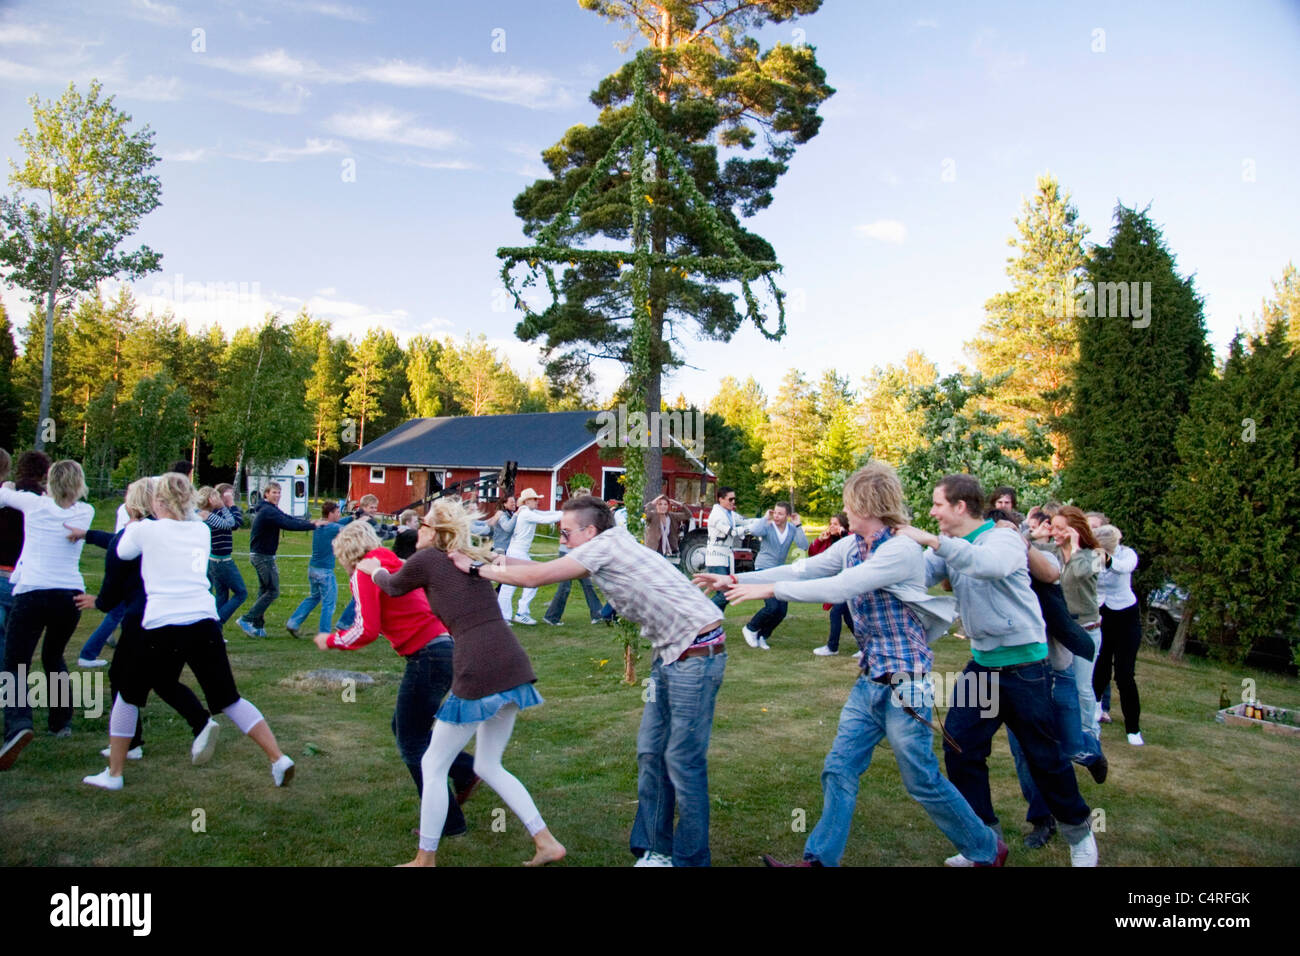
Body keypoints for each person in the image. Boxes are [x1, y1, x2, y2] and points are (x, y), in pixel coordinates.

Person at [705, 463, 1005, 867]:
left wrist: (769, 589)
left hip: (906, 683)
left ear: (862, 503)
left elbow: (844, 586)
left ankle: (987, 850)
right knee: (838, 769)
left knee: (923, 780)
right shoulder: (851, 546)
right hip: (870, 682)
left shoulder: (899, 550)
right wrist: (738, 579)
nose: (844, 509)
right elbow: (805, 568)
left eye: (849, 501)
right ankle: (818, 860)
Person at [454, 495, 726, 867]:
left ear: (590, 531)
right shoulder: (607, 545)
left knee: (682, 761)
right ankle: (656, 851)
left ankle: (691, 860)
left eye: (566, 533)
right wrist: (487, 558)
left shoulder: (603, 547)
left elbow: (537, 576)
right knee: (650, 752)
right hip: (671, 653)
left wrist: (474, 571)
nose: (562, 540)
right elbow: (538, 565)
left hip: (697, 654)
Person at [896, 474, 1098, 866]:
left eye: (938, 504)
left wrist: (934, 540)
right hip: (983, 667)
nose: (933, 512)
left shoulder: (1002, 538)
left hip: (1025, 666)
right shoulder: (946, 549)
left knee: (1045, 758)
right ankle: (984, 843)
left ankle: (1080, 834)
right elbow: (915, 577)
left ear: (959, 507)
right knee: (960, 749)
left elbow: (988, 566)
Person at [357, 497, 565, 867]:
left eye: (421, 524)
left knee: (433, 765)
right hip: (511, 660)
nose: (415, 529)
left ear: (435, 532)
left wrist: (372, 568)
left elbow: (391, 586)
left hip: (478, 664)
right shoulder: (466, 558)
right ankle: (545, 842)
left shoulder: (427, 560)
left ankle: (425, 859)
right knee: (488, 765)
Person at [82, 473, 293, 790]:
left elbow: (122, 551)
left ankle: (114, 773)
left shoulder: (144, 530)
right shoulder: (199, 529)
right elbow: (188, 516)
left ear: (159, 501)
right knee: (230, 699)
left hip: (162, 624)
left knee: (127, 696)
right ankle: (278, 758)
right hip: (203, 621)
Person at [313, 520, 477, 836]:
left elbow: (366, 629)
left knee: (411, 744)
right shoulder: (392, 561)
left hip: (426, 656)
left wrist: (330, 640)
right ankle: (465, 770)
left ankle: (448, 820)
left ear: (346, 553)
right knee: (403, 728)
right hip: (443, 649)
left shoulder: (365, 571)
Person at [68, 478, 217, 763]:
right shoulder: (163, 531)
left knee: (124, 679)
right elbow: (111, 543)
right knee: (161, 679)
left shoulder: (138, 534)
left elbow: (115, 568)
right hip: (172, 616)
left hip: (142, 618)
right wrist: (87, 534)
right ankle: (199, 721)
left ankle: (130, 744)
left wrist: (100, 602)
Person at [0, 460, 94, 770]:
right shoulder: (86, 512)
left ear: (49, 482)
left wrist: (9, 488)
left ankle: (19, 723)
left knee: (15, 662)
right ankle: (60, 722)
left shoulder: (33, 504)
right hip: (69, 595)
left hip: (32, 591)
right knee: (54, 657)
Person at [238, 481, 322, 638]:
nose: (277, 495)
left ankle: (258, 626)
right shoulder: (267, 511)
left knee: (264, 590)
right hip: (263, 557)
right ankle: (246, 619)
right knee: (273, 591)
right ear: (266, 494)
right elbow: (288, 524)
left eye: (278, 492)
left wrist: (311, 522)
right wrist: (313, 525)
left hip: (262, 555)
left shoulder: (271, 509)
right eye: (274, 492)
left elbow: (288, 518)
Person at [1093, 523, 1143, 745]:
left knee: (1124, 674)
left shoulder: (1127, 554)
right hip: (1102, 613)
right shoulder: (1094, 556)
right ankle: (1093, 714)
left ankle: (1133, 728)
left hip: (1126, 615)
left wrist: (1109, 559)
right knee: (1100, 666)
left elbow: (1124, 567)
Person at [740, 502, 808, 650]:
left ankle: (762, 636)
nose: (776, 516)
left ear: (787, 516)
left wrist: (798, 525)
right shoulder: (768, 526)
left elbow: (803, 545)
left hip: (780, 572)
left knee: (782, 611)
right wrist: (765, 517)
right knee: (772, 607)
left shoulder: (791, 528)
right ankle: (750, 628)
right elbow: (754, 531)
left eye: (780, 514)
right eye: (775, 512)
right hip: (763, 569)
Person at [284, 500, 352, 638]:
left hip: (313, 569)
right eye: (337, 512)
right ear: (330, 514)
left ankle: (293, 623)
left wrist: (352, 517)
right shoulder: (332, 528)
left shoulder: (319, 525)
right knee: (329, 603)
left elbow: (340, 523)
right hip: (325, 572)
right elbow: (346, 529)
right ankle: (325, 634)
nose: (339, 514)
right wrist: (360, 520)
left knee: (314, 597)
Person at [496, 487, 562, 626]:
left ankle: (505, 616)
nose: (538, 501)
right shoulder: (526, 513)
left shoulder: (528, 511)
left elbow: (547, 514)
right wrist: (566, 516)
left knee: (509, 585)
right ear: (527, 501)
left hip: (517, 552)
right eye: (535, 499)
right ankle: (521, 613)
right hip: (518, 553)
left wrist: (565, 512)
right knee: (534, 579)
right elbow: (544, 520)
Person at [808, 513, 854, 657]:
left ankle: (832, 647)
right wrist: (819, 540)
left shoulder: (850, 537)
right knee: (847, 616)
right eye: (830, 523)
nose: (832, 527)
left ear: (843, 526)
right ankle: (867, 647)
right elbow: (813, 555)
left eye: (835, 524)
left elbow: (856, 547)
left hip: (851, 583)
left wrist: (845, 534)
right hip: (838, 583)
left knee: (836, 612)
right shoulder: (830, 541)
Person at [203, 483, 247, 626]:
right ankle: (215, 623)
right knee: (241, 593)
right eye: (228, 495)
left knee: (222, 595)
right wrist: (228, 505)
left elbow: (234, 523)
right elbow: (234, 523)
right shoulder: (214, 514)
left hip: (215, 560)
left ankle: (216, 632)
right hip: (222, 561)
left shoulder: (213, 514)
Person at [703, 487, 742, 611]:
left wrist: (763, 521)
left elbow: (745, 521)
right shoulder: (716, 515)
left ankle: (714, 624)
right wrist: (748, 529)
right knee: (724, 594)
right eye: (730, 499)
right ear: (721, 499)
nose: (733, 502)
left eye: (734, 499)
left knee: (725, 594)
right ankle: (703, 614)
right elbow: (732, 532)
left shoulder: (729, 513)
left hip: (725, 558)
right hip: (716, 558)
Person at [643, 493, 691, 562]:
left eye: (665, 504)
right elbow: (645, 511)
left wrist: (679, 504)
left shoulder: (671, 516)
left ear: (668, 506)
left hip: (666, 552)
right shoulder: (652, 515)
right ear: (656, 505)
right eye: (660, 504)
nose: (663, 506)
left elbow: (688, 515)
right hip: (652, 551)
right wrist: (653, 502)